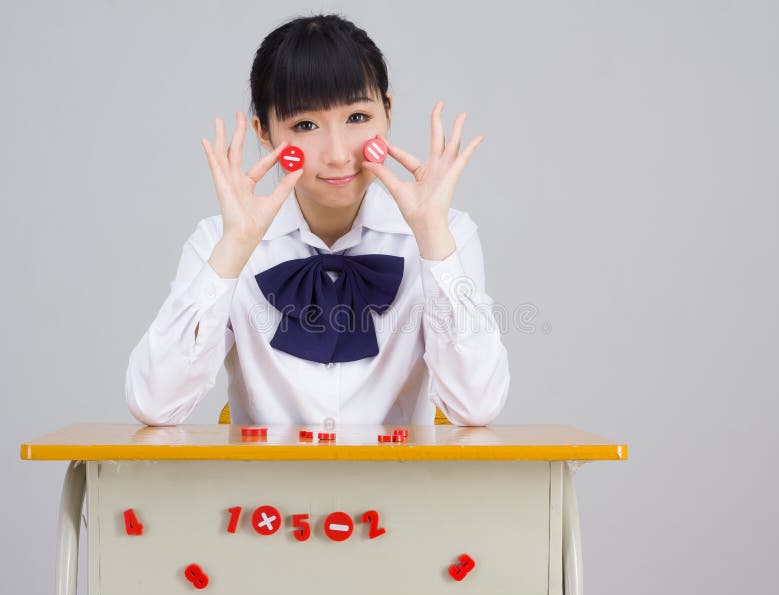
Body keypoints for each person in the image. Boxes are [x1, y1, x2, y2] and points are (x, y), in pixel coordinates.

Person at [125, 13, 510, 427]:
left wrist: (433, 237)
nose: (338, 153)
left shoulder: (447, 234)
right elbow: (154, 404)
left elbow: (477, 407)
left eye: (357, 118)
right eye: (305, 124)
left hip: (400, 488)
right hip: (263, 492)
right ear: (264, 132)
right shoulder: (216, 241)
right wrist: (234, 248)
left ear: (388, 111)